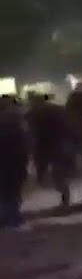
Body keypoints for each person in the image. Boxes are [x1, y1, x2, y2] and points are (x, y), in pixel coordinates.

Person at [0, 95, 29, 228]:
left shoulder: (12, 124)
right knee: (12, 191)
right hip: (14, 163)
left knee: (6, 192)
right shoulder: (17, 126)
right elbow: (23, 147)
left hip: (8, 163)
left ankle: (8, 217)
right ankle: (13, 217)